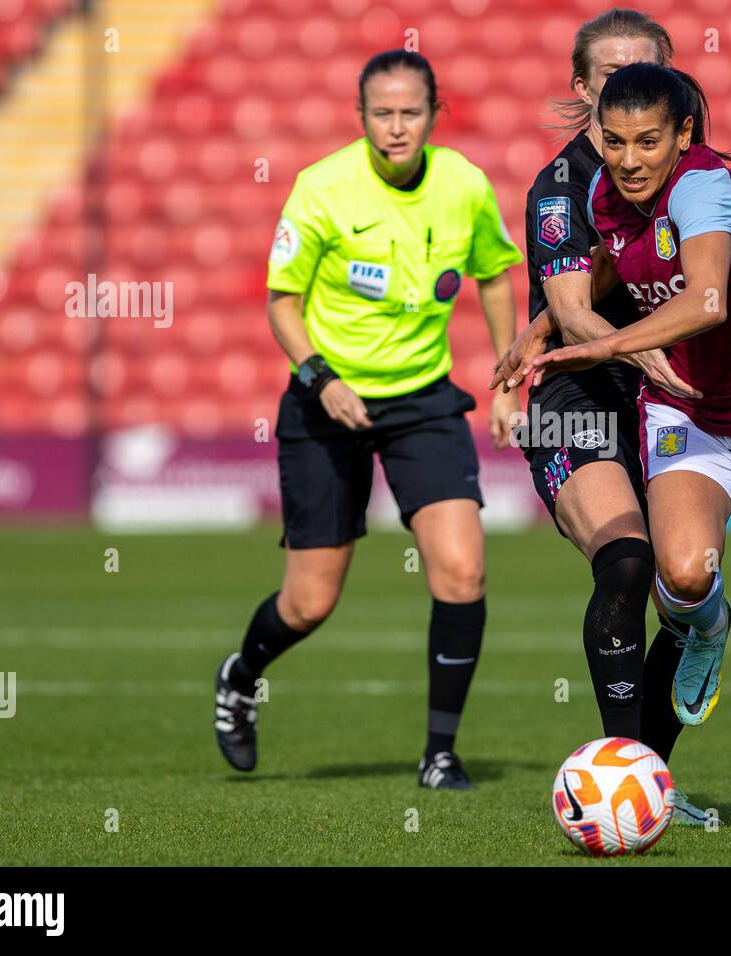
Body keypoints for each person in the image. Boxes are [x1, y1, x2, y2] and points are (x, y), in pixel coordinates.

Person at [524, 63, 731, 829]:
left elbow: (705, 301)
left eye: (648, 141)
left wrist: (604, 348)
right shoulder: (605, 195)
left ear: (684, 135)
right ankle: (706, 632)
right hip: (684, 412)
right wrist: (538, 329)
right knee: (684, 575)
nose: (628, 159)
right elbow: (603, 270)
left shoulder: (702, 190)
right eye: (616, 140)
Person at [213, 50, 523, 788]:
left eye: (409, 112)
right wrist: (320, 378)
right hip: (328, 403)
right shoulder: (321, 188)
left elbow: (495, 275)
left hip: (422, 400)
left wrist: (507, 382)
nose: (395, 127)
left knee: (463, 568)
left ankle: (440, 755)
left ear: (434, 116)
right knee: (311, 600)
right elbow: (281, 302)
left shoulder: (464, 187)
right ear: (361, 119)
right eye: (381, 114)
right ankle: (240, 675)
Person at [491, 8, 707, 826]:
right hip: (577, 394)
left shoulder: (699, 178)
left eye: (640, 72)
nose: (622, 87)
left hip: (666, 394)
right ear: (583, 88)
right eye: (607, 74)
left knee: (689, 583)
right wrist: (638, 350)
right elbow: (575, 313)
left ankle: (649, 777)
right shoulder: (558, 187)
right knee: (626, 562)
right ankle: (625, 777)